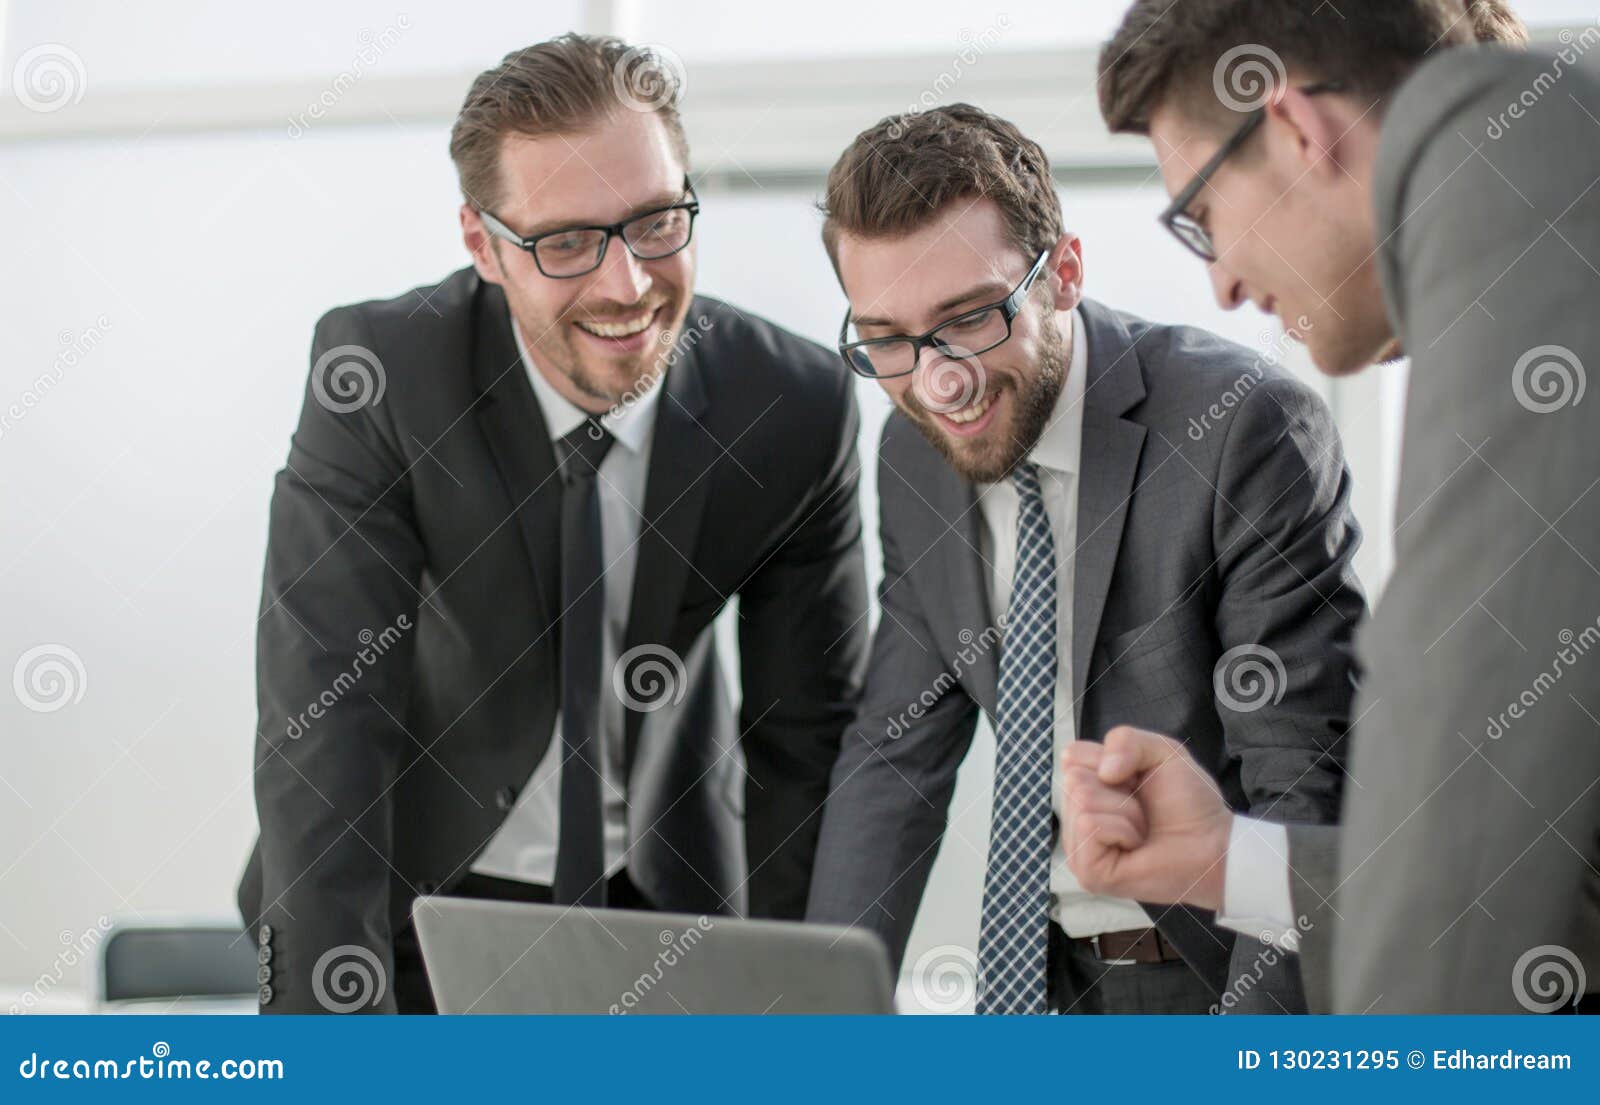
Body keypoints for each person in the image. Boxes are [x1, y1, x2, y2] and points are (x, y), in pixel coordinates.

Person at [238, 34, 870, 1013]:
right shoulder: (382, 376)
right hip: (406, 907)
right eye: (566, 242)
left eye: (656, 222)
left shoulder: (790, 406)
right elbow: (320, 720)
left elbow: (810, 747)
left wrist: (796, 1011)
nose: (626, 286)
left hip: (665, 911)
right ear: (483, 245)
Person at [1062, 0, 1600, 1013]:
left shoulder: (1521, 162)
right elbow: (1543, 896)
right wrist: (1231, 860)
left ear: (1295, 129)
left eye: (1199, 217)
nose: (1217, 283)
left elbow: (1476, 813)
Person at [804, 103, 1366, 1014]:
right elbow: (893, 757)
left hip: (1212, 983)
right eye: (887, 339)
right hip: (1034, 986)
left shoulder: (1240, 431)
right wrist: (817, 1022)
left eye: (970, 318)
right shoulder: (914, 451)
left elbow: (1301, 789)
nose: (939, 377)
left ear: (1063, 272)